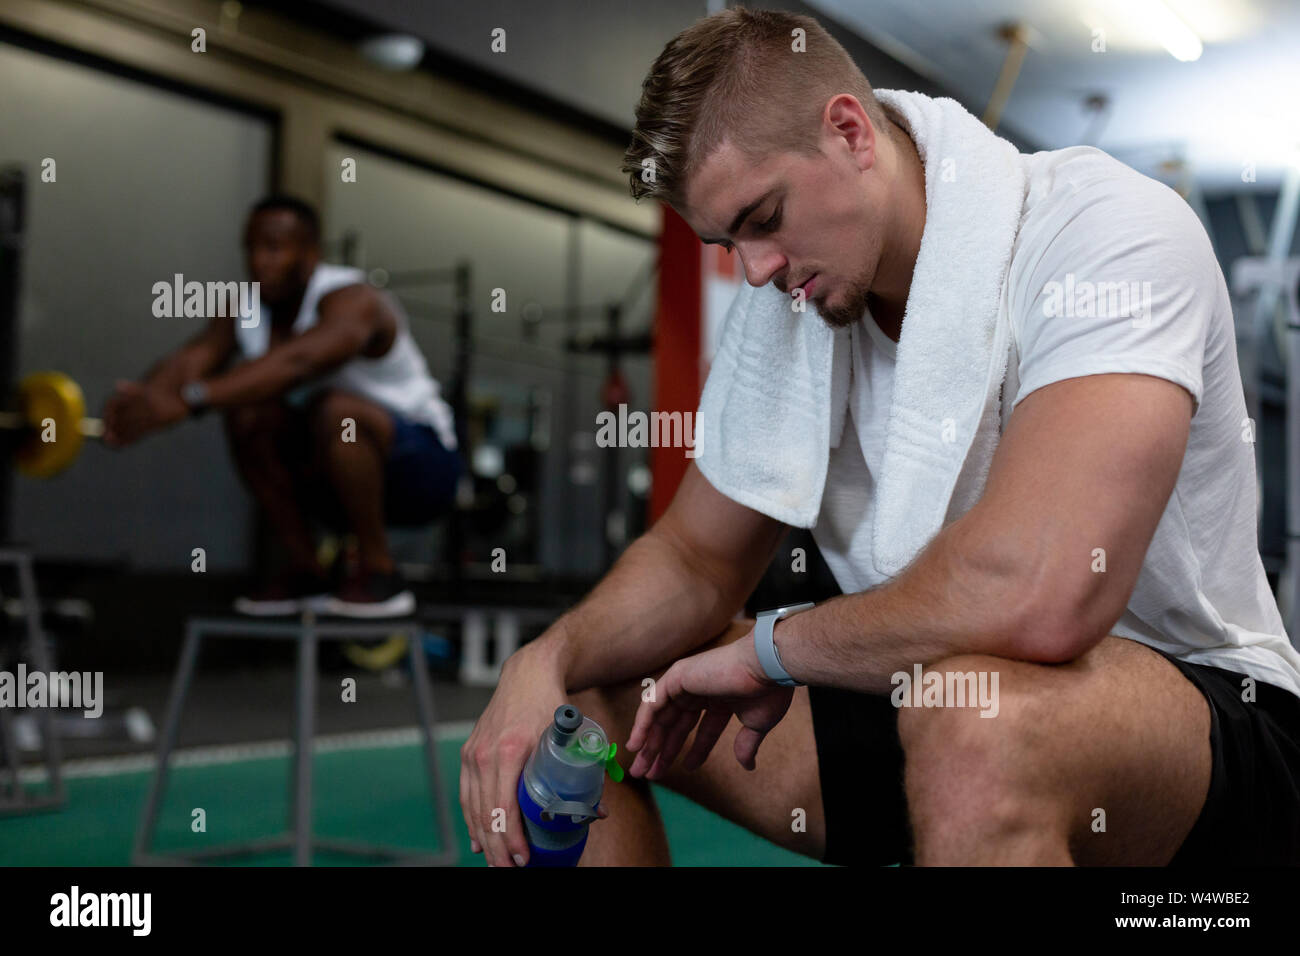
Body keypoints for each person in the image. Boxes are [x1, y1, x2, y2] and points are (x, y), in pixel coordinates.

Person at [458, 7, 1300, 866]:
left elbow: (1040, 594)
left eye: (763, 217)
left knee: (974, 718)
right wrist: (545, 658)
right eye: (725, 243)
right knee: (600, 698)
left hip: (1189, 726)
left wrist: (771, 651)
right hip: (922, 696)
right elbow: (694, 561)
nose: (755, 272)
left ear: (850, 131)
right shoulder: (788, 306)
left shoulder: (1105, 233)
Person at [103, 196, 462, 618]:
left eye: (274, 248)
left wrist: (191, 399)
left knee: (337, 411)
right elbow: (190, 361)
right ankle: (307, 571)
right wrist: (143, 403)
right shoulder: (246, 309)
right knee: (248, 415)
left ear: (311, 253)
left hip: (421, 472)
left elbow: (298, 363)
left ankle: (381, 573)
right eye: (251, 248)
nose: (259, 262)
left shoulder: (354, 299)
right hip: (333, 479)